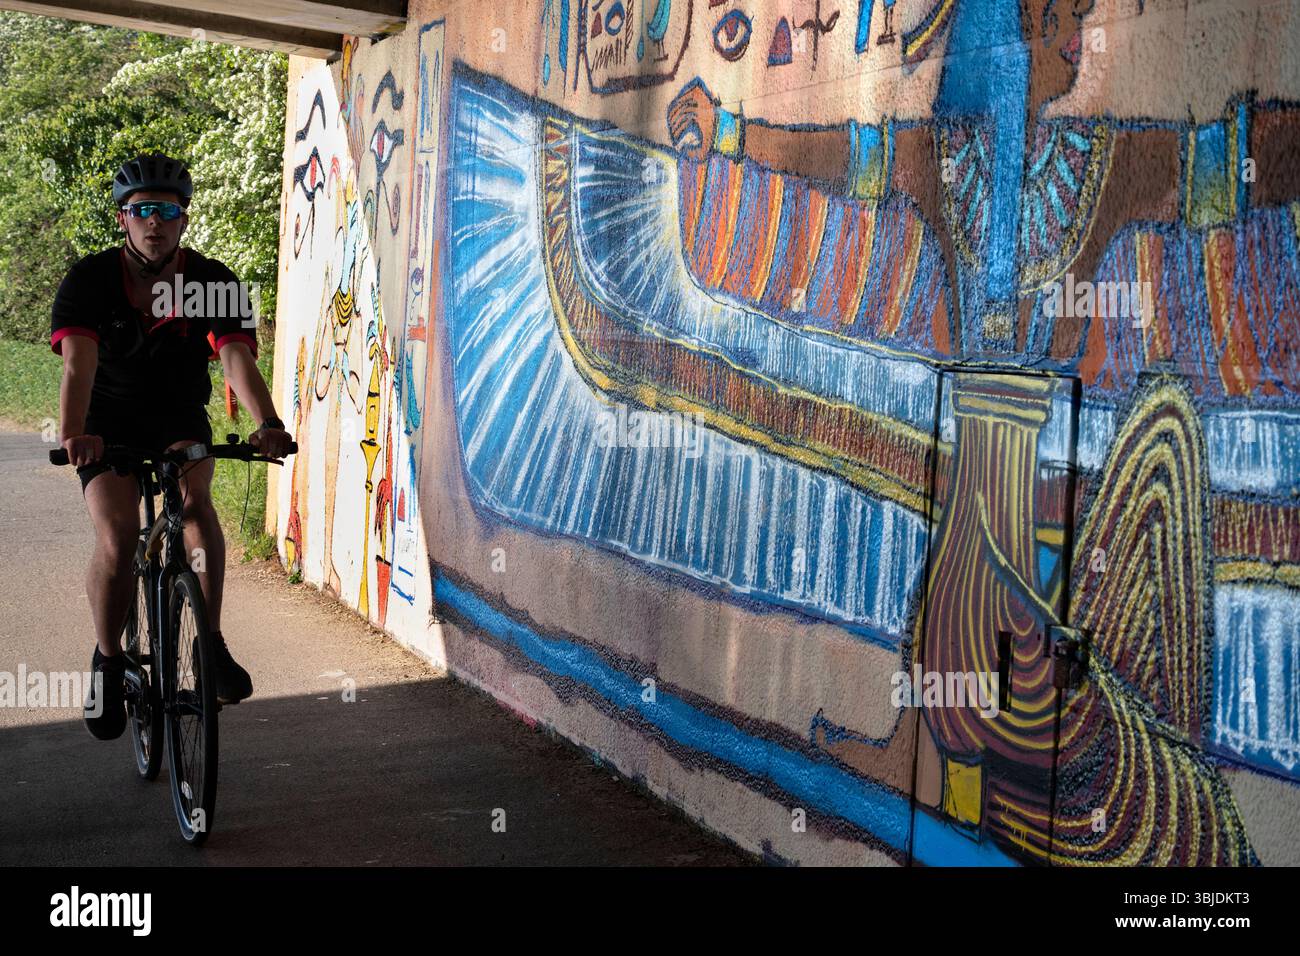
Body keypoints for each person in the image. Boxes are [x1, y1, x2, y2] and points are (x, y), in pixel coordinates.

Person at [50, 152, 293, 740]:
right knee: (117, 535)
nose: (154, 223)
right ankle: (109, 661)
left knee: (195, 507)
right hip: (105, 422)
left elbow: (235, 356)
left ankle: (209, 644)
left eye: (167, 211)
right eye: (141, 211)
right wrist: (74, 434)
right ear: (122, 218)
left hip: (178, 415)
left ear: (184, 218)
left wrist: (267, 420)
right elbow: (79, 367)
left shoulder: (211, 280)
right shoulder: (89, 282)